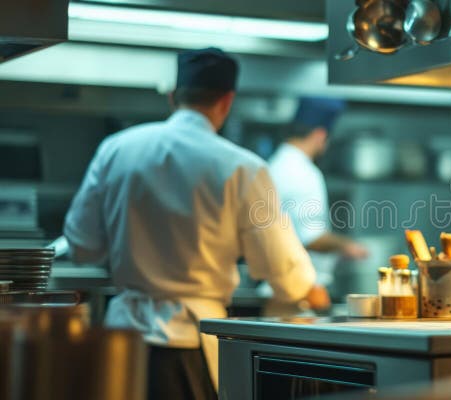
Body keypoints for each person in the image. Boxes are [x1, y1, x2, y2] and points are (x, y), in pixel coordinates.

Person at [63, 47, 327, 400]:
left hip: (121, 341)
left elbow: (81, 245)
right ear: (227, 101)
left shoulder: (116, 149)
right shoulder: (243, 168)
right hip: (189, 341)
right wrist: (309, 290)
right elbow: (280, 264)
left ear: (173, 96)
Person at [261, 98, 368, 305]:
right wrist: (348, 246)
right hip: (301, 294)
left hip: (278, 289)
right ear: (320, 135)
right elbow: (313, 238)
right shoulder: (304, 173)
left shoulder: (274, 165)